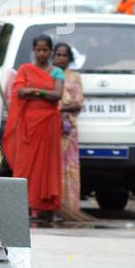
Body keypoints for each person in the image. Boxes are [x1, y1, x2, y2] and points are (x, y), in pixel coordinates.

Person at [3, 34, 64, 225]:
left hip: (48, 123)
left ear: (51, 51)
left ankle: (45, 207)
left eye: (45, 50)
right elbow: (20, 91)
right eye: (38, 50)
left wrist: (35, 91)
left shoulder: (56, 72)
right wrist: (38, 92)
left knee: (46, 164)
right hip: (28, 124)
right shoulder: (25, 69)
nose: (42, 53)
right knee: (25, 163)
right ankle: (25, 204)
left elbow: (57, 95)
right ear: (33, 50)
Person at [53, 42, 94, 223]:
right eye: (58, 54)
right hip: (51, 126)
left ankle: (70, 209)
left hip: (68, 129)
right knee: (53, 167)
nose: (61, 58)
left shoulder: (75, 77)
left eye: (64, 55)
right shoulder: (49, 74)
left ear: (69, 58)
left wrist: (61, 108)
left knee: (70, 168)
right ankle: (51, 206)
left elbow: (78, 103)